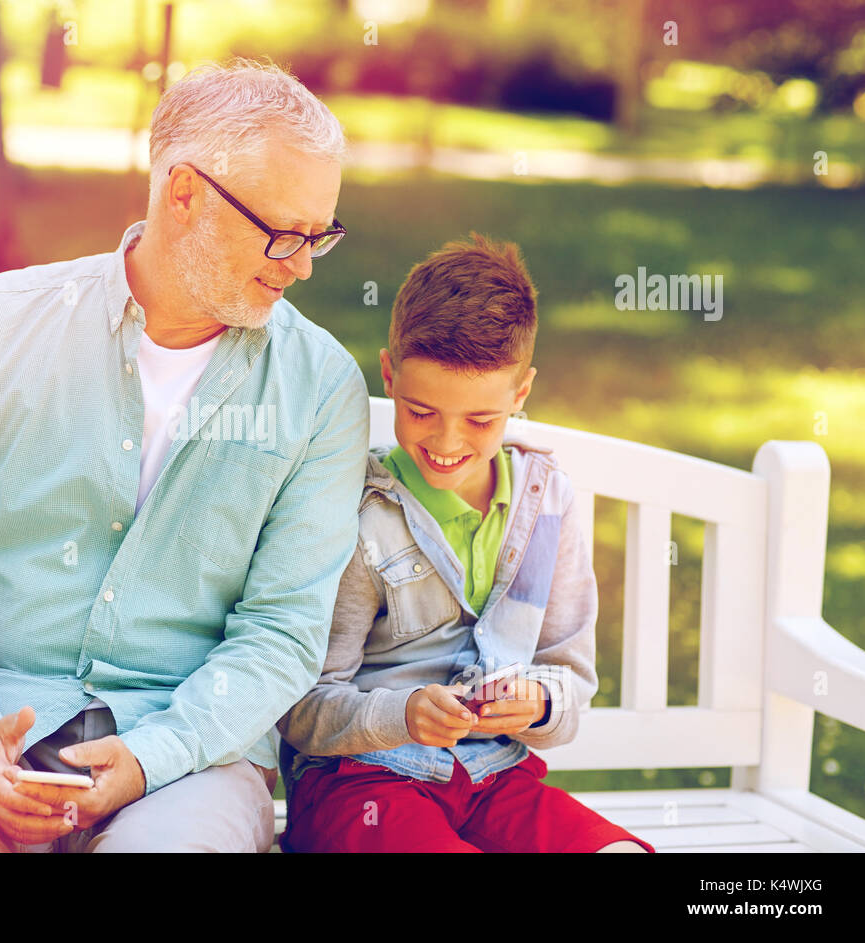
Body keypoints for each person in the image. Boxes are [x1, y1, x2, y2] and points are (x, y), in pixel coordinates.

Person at [0, 58, 369, 852]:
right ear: (185, 194)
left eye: (320, 236)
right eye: (283, 232)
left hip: (190, 753)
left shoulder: (321, 386)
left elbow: (283, 632)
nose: (301, 265)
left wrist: (148, 756)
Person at [276, 233, 656, 853]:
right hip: (364, 786)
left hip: (494, 779)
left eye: (480, 420)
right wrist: (402, 714)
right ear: (390, 375)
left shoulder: (547, 502)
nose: (447, 442)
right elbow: (302, 706)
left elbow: (568, 672)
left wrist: (537, 706)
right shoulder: (353, 513)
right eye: (421, 410)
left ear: (520, 393)